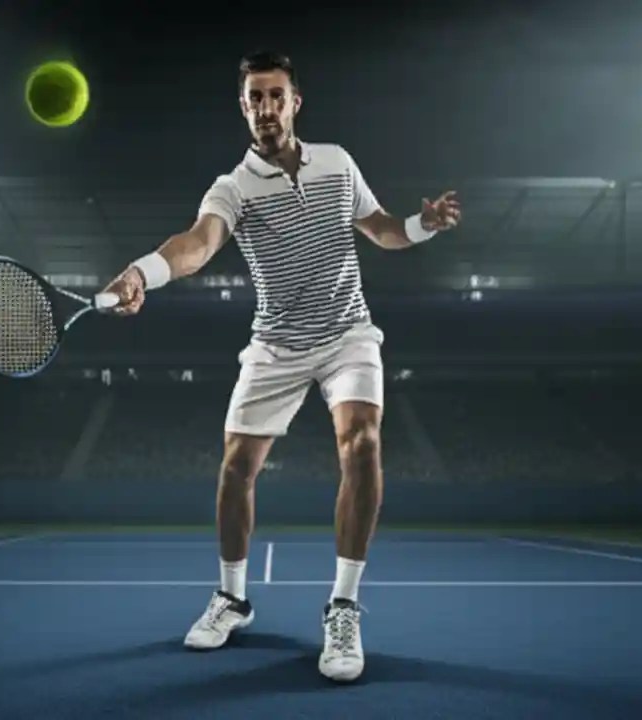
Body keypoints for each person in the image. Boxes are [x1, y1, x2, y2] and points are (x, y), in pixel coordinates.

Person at [99, 50, 460, 683]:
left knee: (364, 442)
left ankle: (343, 606)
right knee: (237, 468)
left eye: (275, 95)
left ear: (295, 102)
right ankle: (233, 597)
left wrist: (421, 226)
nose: (265, 108)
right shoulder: (232, 188)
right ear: (244, 111)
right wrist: (142, 273)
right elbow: (197, 245)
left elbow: (379, 229)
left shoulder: (339, 163)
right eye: (253, 100)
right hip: (276, 344)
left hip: (347, 331)